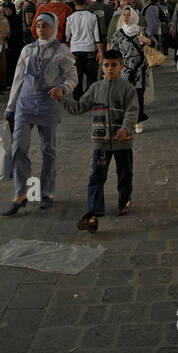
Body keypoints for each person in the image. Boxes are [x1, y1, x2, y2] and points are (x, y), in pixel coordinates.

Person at [2, 12, 78, 215]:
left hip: (48, 105)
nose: (41, 30)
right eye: (38, 26)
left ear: (53, 27)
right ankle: (21, 193)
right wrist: (10, 107)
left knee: (48, 150)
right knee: (19, 147)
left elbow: (72, 76)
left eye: (45, 26)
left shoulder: (62, 51)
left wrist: (63, 89)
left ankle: (46, 192)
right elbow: (18, 79)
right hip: (25, 105)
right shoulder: (28, 50)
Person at [65, 50, 139, 233]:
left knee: (125, 173)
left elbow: (132, 111)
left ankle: (124, 200)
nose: (110, 68)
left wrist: (125, 128)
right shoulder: (95, 88)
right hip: (101, 142)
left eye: (114, 65)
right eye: (107, 65)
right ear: (102, 67)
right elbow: (80, 106)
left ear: (121, 66)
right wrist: (63, 99)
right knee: (97, 176)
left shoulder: (127, 89)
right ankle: (94, 212)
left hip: (123, 142)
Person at [110, 5, 151, 128]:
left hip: (140, 69)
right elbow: (114, 52)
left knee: (138, 95)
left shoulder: (141, 31)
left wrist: (147, 41)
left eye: (129, 15)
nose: (126, 17)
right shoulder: (118, 34)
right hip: (124, 70)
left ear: (134, 16)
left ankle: (138, 121)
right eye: (124, 15)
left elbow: (155, 45)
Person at [65, 0, 103, 100]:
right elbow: (97, 37)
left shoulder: (70, 18)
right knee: (91, 77)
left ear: (74, 2)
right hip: (90, 50)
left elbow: (67, 37)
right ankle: (88, 98)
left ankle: (77, 99)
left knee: (77, 77)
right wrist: (100, 52)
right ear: (86, 1)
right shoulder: (92, 17)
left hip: (75, 50)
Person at [2, 3, 24, 92]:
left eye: (9, 9)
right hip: (5, 45)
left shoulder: (17, 19)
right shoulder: (3, 19)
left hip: (15, 45)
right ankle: (5, 83)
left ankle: (12, 82)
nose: (8, 11)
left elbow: (19, 32)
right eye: (6, 9)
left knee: (14, 64)